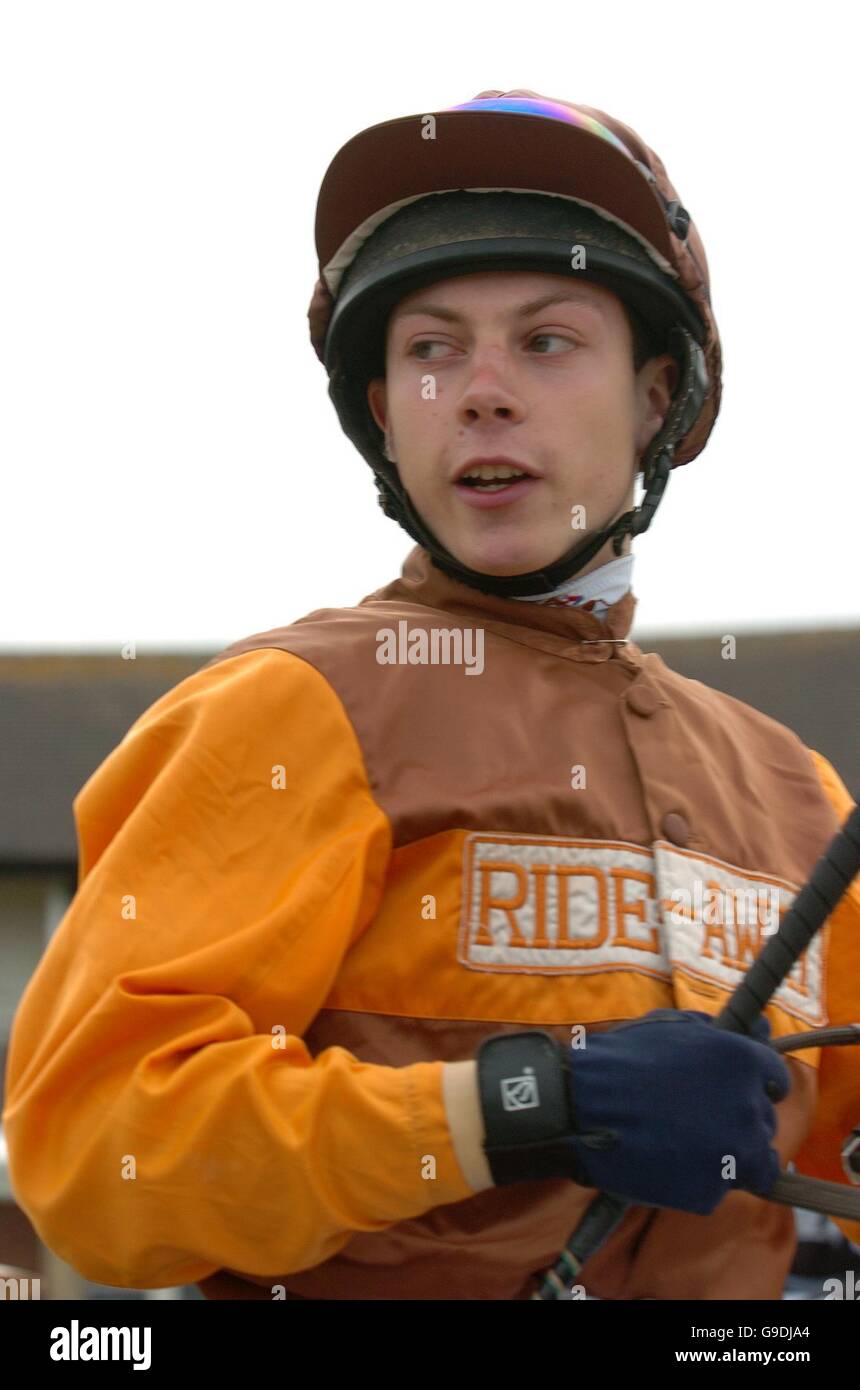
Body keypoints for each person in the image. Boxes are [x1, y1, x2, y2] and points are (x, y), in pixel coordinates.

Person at [3, 90, 860, 1302]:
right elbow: (95, 1160)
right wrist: (524, 1106)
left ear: (656, 399)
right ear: (382, 416)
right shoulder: (281, 710)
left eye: (547, 340)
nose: (480, 390)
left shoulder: (797, 794)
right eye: (430, 349)